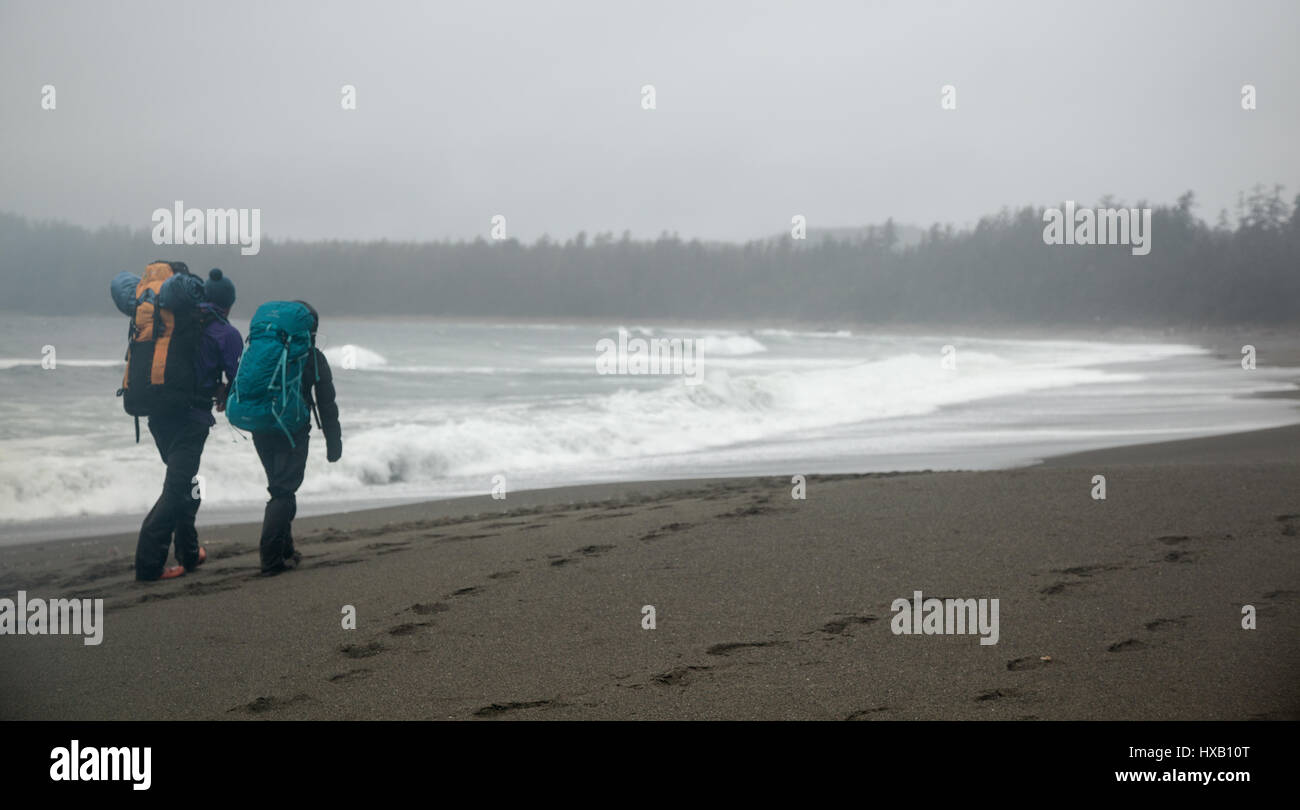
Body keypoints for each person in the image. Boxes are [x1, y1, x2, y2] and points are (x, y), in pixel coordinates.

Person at [135, 268, 243, 581]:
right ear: (229, 304)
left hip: (158, 416)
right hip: (191, 420)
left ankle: (189, 553)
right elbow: (238, 379)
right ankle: (148, 565)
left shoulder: (171, 324)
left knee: (187, 484)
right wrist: (225, 392)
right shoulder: (226, 333)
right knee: (177, 488)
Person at [253, 300, 342, 575]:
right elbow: (326, 404)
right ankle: (271, 561)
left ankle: (286, 549)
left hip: (261, 426)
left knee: (278, 487)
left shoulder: (263, 353)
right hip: (291, 431)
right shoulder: (313, 358)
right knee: (284, 492)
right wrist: (333, 442)